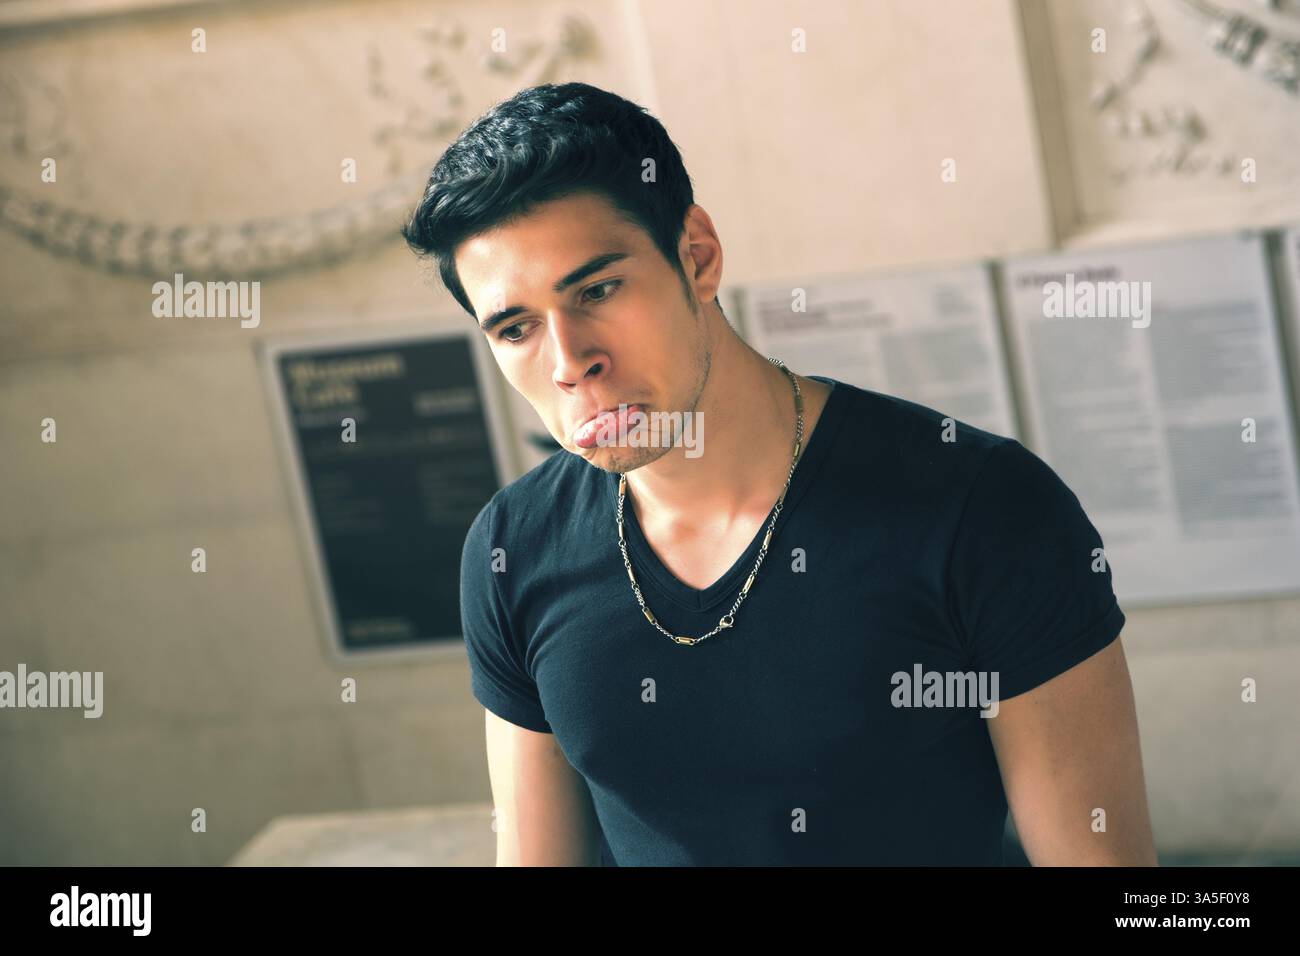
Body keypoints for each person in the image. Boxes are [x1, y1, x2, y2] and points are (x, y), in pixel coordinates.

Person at [401, 82, 1157, 866]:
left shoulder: (981, 507)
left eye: (597, 290)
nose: (569, 362)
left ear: (697, 256)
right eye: (517, 328)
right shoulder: (514, 547)